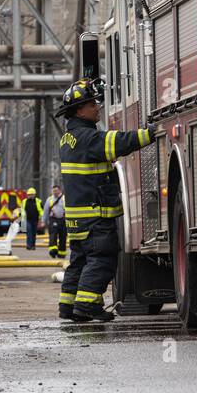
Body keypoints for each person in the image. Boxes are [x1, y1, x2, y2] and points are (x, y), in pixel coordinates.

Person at [54, 76, 155, 323]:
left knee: (79, 262)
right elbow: (119, 142)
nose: (97, 107)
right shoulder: (88, 138)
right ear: (79, 110)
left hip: (78, 220)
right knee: (102, 260)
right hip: (95, 215)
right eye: (92, 104)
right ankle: (86, 306)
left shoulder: (68, 139)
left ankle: (68, 305)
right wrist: (152, 133)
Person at [42, 184, 67, 258]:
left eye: (56, 190)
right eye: (53, 191)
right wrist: (43, 221)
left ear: (60, 190)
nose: (54, 192)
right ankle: (53, 251)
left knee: (63, 237)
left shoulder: (64, 199)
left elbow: (69, 210)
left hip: (63, 220)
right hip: (53, 219)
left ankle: (62, 253)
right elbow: (45, 211)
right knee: (53, 235)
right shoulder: (49, 199)